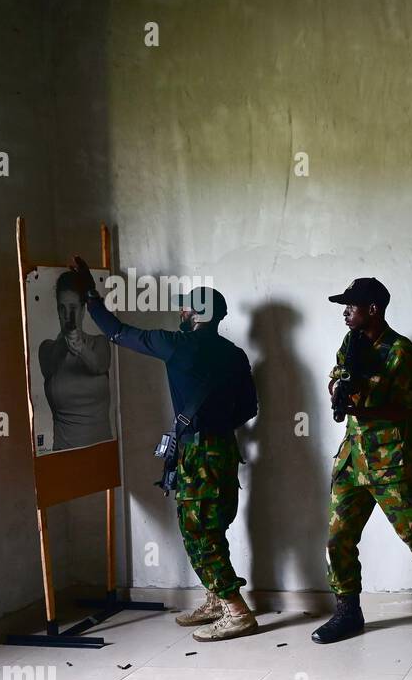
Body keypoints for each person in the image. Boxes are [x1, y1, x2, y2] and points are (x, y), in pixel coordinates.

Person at [69, 257, 260, 642]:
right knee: (214, 525)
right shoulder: (236, 355)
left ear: (199, 314)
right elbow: (249, 409)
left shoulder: (176, 345)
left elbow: (117, 332)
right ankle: (215, 599)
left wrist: (91, 295)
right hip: (225, 451)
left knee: (197, 533)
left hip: (197, 455)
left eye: (186, 306)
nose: (181, 311)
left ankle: (236, 609)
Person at [315, 278, 412, 647]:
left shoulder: (401, 352)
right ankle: (348, 611)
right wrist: (338, 390)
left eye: (352, 306)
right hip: (352, 461)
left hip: (392, 462)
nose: (346, 312)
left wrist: (362, 406)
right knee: (338, 539)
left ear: (374, 309)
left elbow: (408, 408)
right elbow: (335, 378)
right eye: (344, 306)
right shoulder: (350, 343)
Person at [38, 270, 112, 451]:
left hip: (103, 452)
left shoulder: (99, 343)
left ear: (83, 310)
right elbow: (51, 365)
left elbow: (99, 365)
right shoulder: (47, 349)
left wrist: (81, 349)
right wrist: (65, 343)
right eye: (62, 308)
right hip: (65, 454)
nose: (66, 314)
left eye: (72, 308)